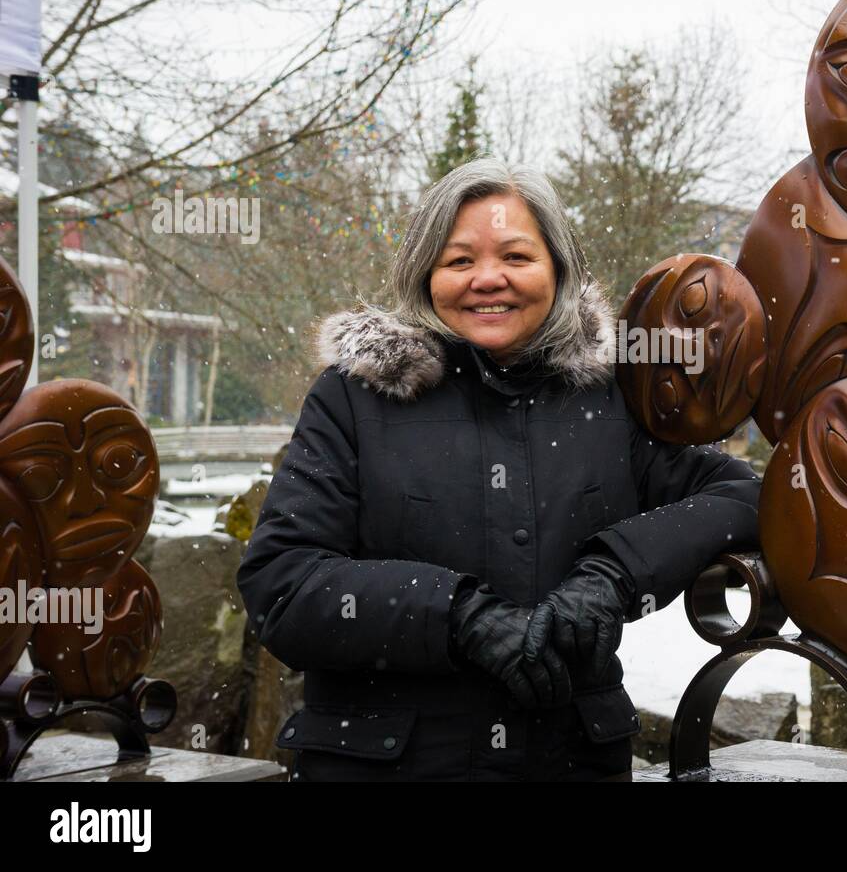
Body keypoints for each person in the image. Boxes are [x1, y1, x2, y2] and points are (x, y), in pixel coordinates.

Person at [236, 155, 762, 781]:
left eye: (516, 257)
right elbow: (285, 585)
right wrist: (457, 619)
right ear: (424, 273)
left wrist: (614, 575)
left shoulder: (610, 398)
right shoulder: (355, 397)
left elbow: (744, 498)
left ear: (557, 270)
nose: (489, 279)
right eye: (460, 260)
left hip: (568, 763)